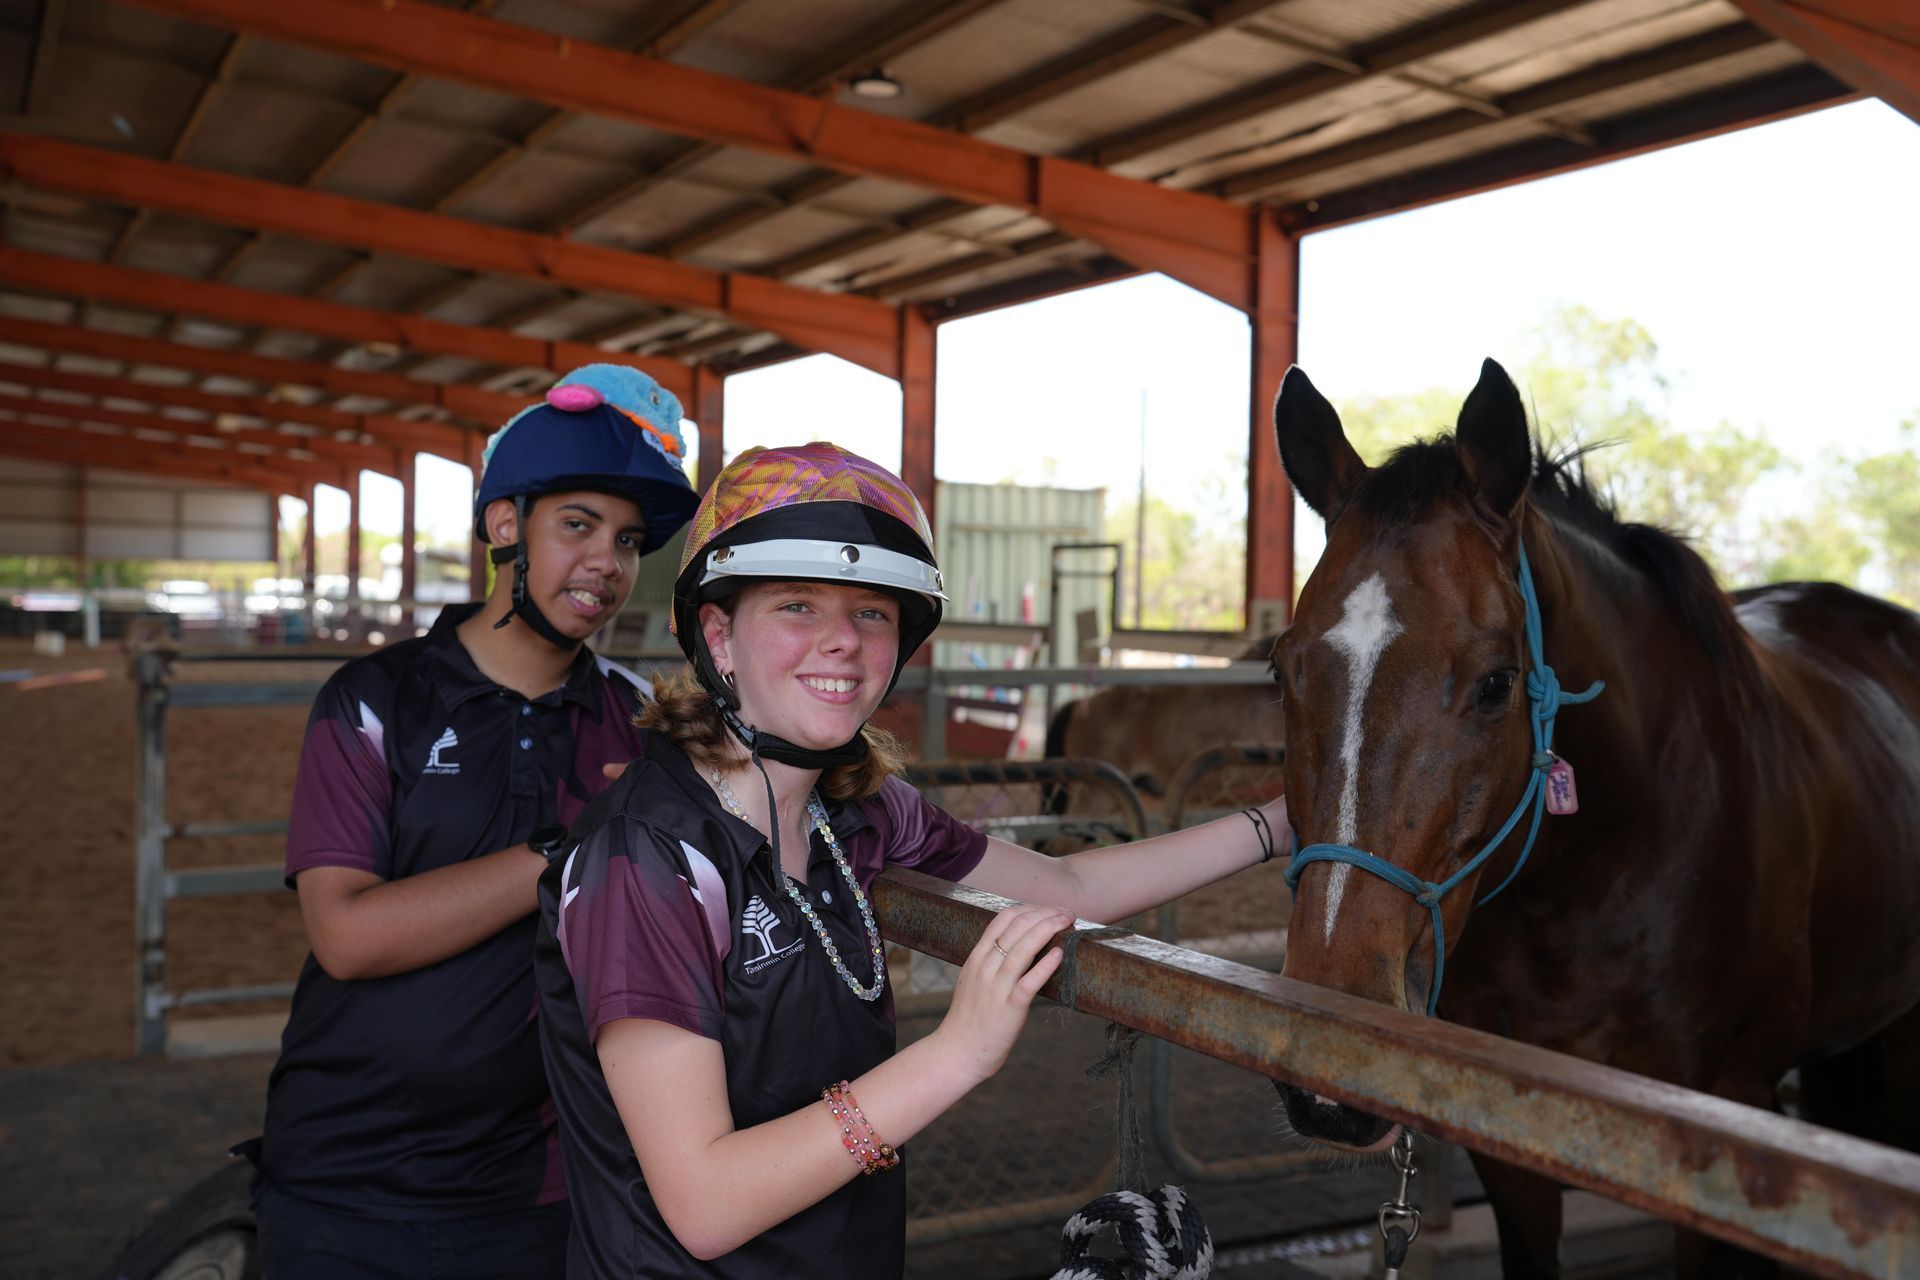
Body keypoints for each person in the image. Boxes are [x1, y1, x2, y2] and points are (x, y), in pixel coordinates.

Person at [533, 442, 1288, 1278]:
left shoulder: (856, 808)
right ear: (718, 635)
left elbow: (1073, 884)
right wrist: (956, 1051)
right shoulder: (646, 859)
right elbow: (705, 1204)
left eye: (872, 613)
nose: (841, 644)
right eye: (796, 607)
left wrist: (1278, 826)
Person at [245, 365, 701, 1279]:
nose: (607, 564)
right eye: (577, 525)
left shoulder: (641, 718)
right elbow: (345, 934)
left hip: (546, 1190)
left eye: (628, 539)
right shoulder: (377, 698)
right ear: (506, 526)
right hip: (347, 1179)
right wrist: (565, 844)